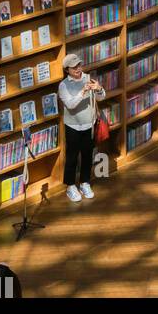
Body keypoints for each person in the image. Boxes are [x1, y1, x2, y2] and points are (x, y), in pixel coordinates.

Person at [58, 52, 105, 203]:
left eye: (79, 65)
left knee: (87, 155)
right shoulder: (63, 85)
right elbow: (70, 105)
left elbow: (101, 97)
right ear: (67, 70)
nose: (78, 69)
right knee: (72, 157)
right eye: (74, 67)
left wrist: (98, 89)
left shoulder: (88, 78)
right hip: (73, 126)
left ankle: (85, 182)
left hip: (89, 125)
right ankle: (71, 186)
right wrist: (83, 91)